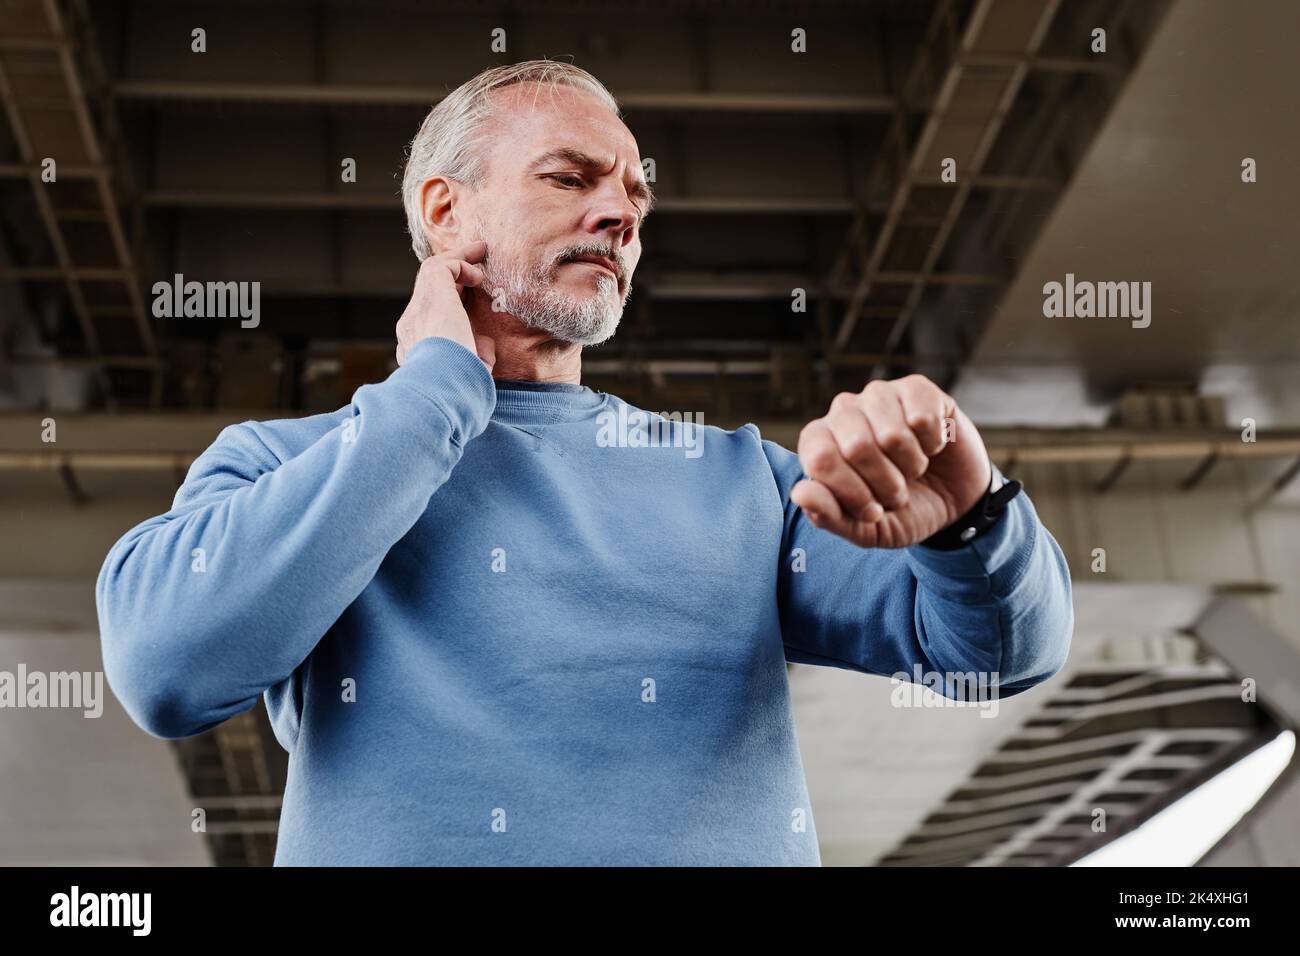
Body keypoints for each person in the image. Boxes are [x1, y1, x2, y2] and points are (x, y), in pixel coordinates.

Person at [96, 60, 1073, 866]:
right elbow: (166, 668)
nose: (621, 213)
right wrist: (432, 395)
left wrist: (971, 520)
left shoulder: (741, 481)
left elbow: (995, 657)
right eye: (570, 177)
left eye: (634, 191)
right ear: (447, 212)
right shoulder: (289, 462)